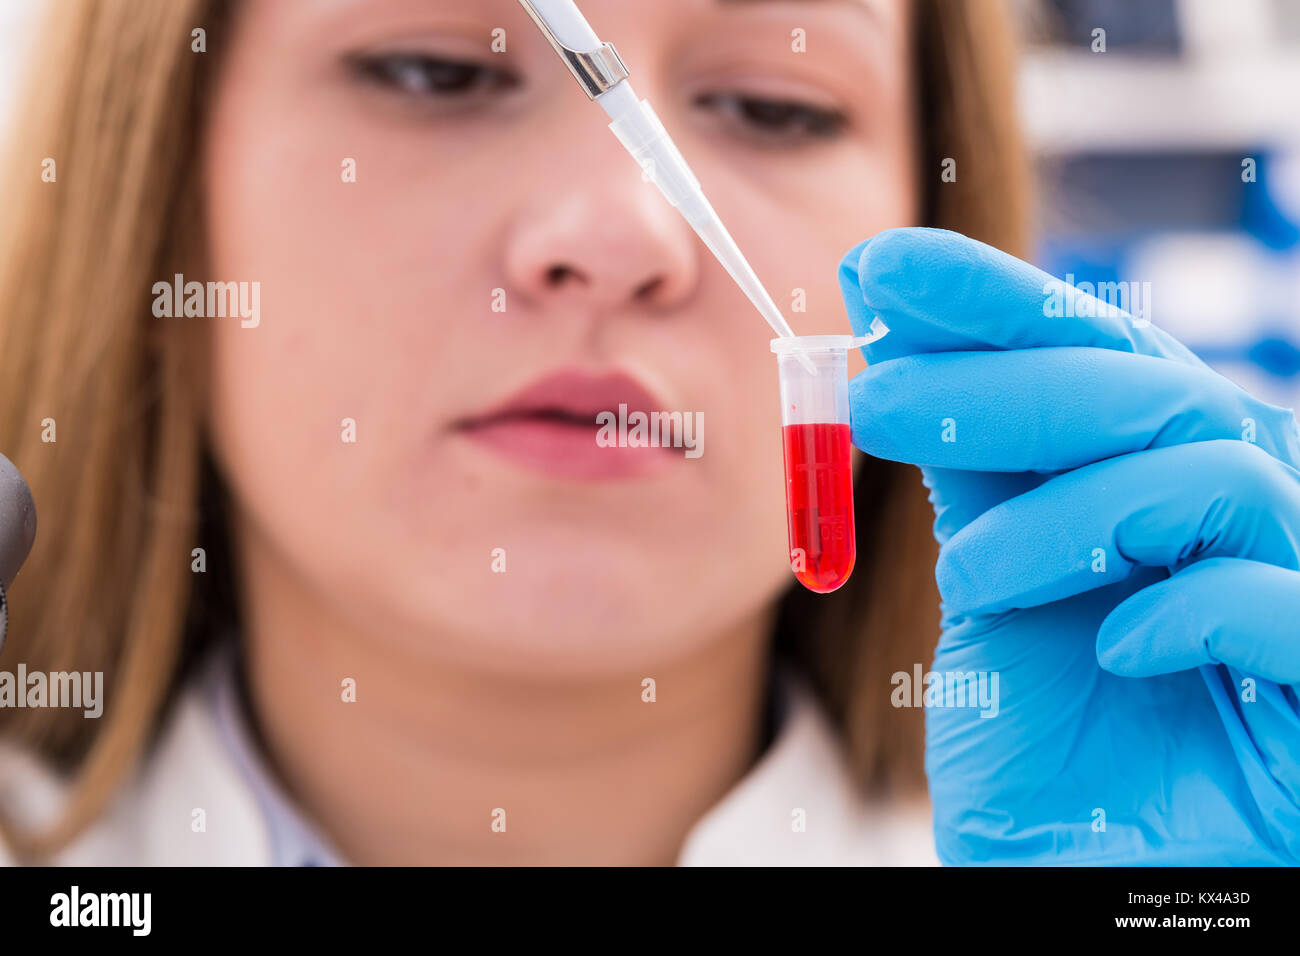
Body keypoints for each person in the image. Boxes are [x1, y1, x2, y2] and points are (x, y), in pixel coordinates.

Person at [1, 0, 1293, 867]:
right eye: (434, 71)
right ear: (155, 188)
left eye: (774, 103)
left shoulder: (1138, 839)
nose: (617, 239)